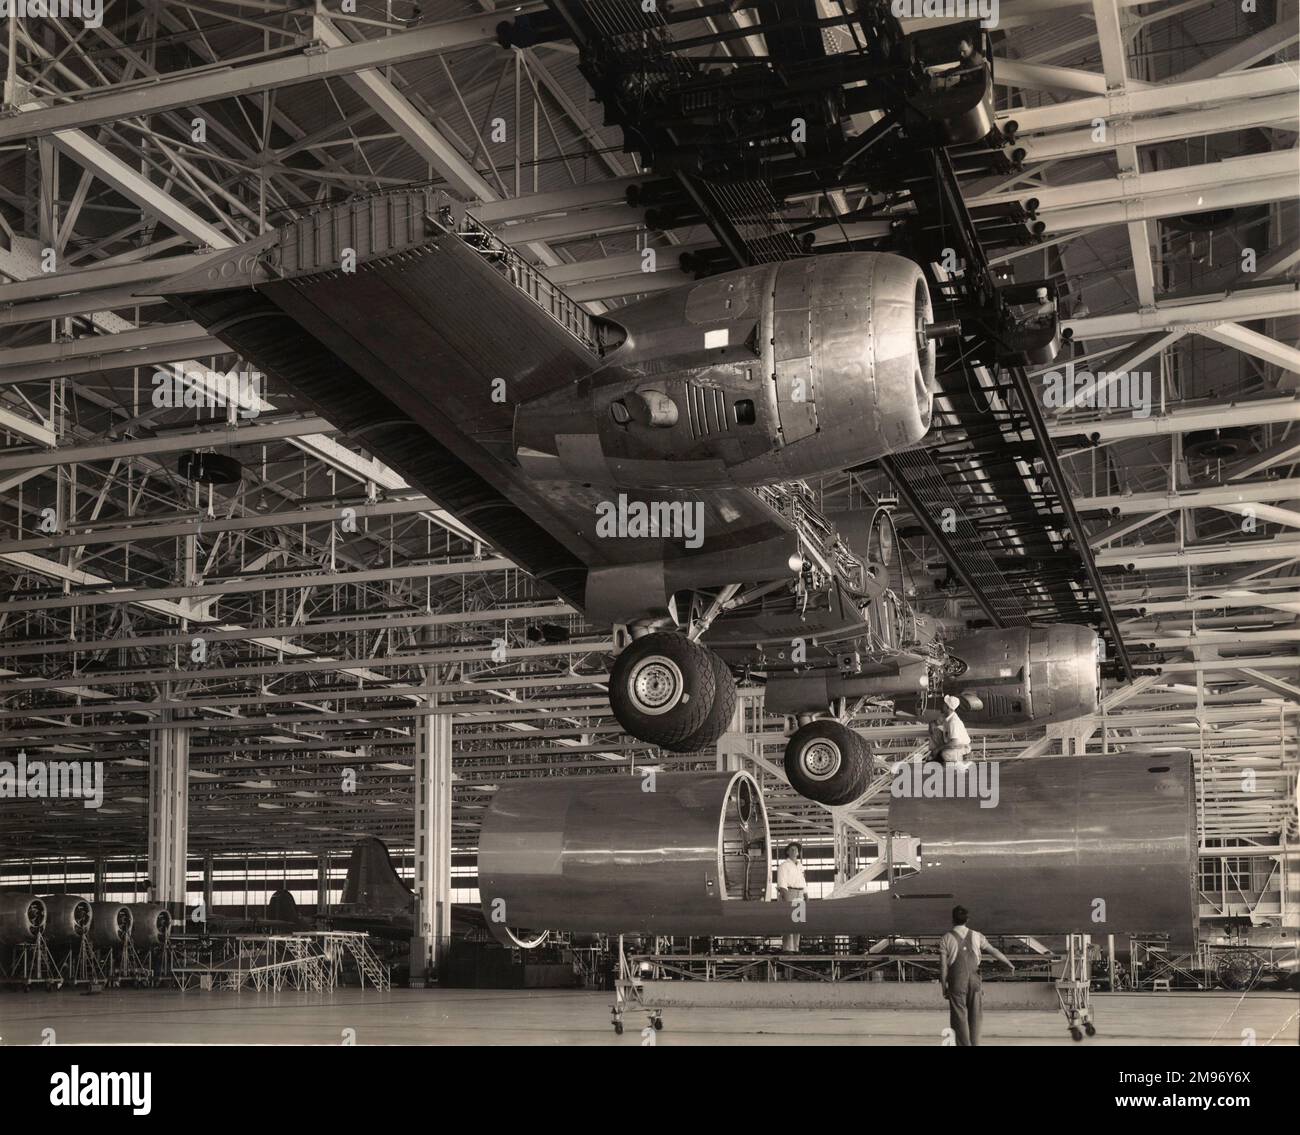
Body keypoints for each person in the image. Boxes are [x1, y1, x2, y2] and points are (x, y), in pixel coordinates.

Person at [940, 905, 1015, 1046]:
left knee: (958, 1017)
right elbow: (993, 950)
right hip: (975, 980)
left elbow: (943, 966)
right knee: (976, 1016)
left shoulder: (946, 938)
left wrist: (944, 986)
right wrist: (1008, 962)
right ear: (967, 919)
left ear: (952, 920)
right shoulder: (977, 935)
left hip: (956, 981)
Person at [776, 842, 805, 953]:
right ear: (787, 852)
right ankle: (788, 948)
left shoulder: (800, 866)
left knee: (798, 923)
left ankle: (796, 948)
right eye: (791, 849)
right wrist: (786, 899)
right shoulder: (784, 865)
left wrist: (806, 895)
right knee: (789, 922)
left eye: (796, 849)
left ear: (798, 852)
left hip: (800, 893)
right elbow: (782, 883)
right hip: (789, 892)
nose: (794, 851)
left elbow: (803, 881)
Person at [940, 694, 972, 765]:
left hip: (962, 749)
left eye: (944, 704)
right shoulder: (949, 719)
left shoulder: (953, 722)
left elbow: (954, 742)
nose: (942, 706)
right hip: (960, 747)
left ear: (947, 707)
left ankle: (960, 767)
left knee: (945, 754)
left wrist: (939, 748)